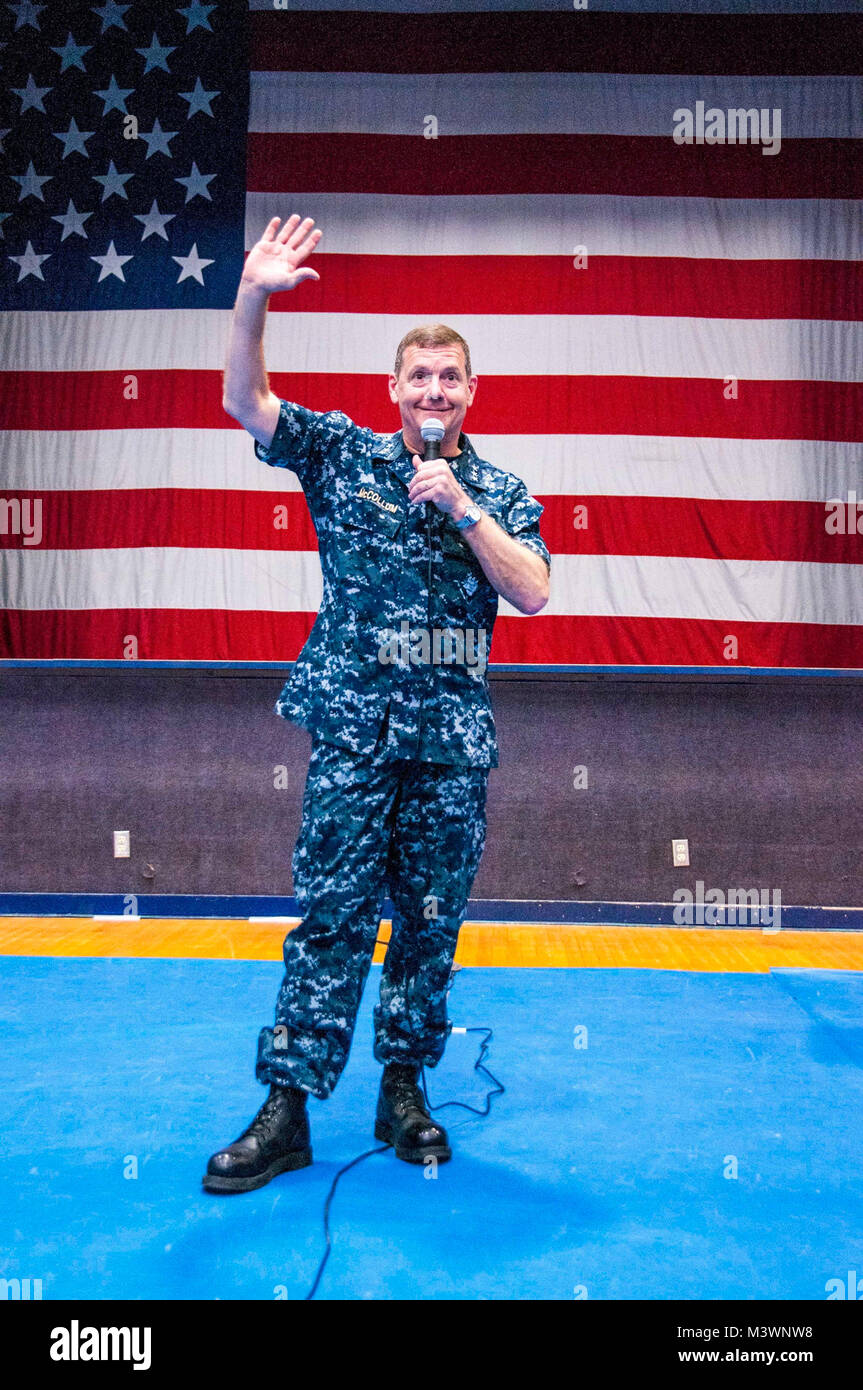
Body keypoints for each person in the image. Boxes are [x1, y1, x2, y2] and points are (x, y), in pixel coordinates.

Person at [203, 215, 550, 1193]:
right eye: (418, 378)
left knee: (428, 925)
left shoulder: (498, 488)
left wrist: (462, 508)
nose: (433, 392)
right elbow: (244, 398)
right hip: (354, 737)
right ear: (393, 389)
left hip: (448, 752)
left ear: (468, 393)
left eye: (449, 379)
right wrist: (253, 293)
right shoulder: (343, 455)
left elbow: (530, 590)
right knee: (329, 918)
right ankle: (287, 1108)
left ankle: (403, 1090)